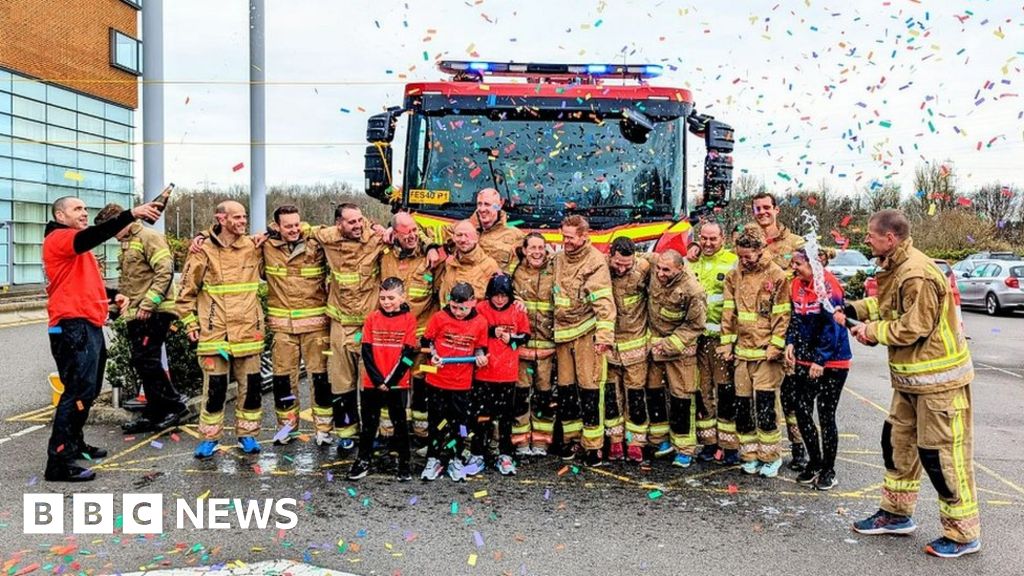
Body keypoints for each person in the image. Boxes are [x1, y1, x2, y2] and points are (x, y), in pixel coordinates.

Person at [838, 210, 979, 558]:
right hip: (910, 382)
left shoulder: (917, 273)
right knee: (897, 446)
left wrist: (871, 331)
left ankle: (963, 535)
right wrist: (854, 308)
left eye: (871, 235)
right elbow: (887, 304)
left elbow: (913, 325)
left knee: (942, 458)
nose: (866, 239)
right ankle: (896, 514)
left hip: (939, 385)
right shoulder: (897, 267)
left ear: (891, 238)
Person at [42, 197, 163, 481]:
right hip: (72, 326)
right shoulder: (60, 237)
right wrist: (130, 215)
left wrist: (111, 295)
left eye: (85, 208)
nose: (84, 213)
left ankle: (74, 444)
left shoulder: (73, 245)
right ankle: (58, 462)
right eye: (77, 209)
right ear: (61, 215)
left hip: (86, 324)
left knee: (88, 390)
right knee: (76, 392)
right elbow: (93, 236)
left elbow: (81, 283)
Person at [176, 201, 266, 459]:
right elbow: (185, 291)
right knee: (214, 390)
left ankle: (247, 435)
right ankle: (209, 438)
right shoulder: (202, 250)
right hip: (215, 333)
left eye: (244, 217)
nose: (243, 221)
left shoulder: (253, 246)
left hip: (249, 331)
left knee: (251, 389)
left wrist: (268, 231)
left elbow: (287, 229)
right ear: (221, 218)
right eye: (237, 217)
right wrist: (189, 323)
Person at [93, 203, 188, 436]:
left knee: (146, 360)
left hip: (154, 311)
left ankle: (173, 406)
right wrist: (115, 310)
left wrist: (149, 304)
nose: (110, 234)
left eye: (110, 228)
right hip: (138, 312)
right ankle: (156, 412)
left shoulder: (148, 236)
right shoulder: (126, 243)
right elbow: (130, 283)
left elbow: (165, 271)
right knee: (142, 360)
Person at [718, 227, 791, 478]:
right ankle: (748, 454)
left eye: (748, 256)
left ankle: (770, 456)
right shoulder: (733, 275)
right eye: (740, 256)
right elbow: (729, 313)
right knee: (743, 406)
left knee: (765, 407)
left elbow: (782, 314)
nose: (743, 261)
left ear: (761, 251)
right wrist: (726, 344)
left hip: (765, 354)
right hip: (742, 353)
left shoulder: (777, 275)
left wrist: (776, 345)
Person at [314, 203, 387, 454]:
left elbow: (410, 233)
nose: (357, 226)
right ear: (339, 224)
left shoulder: (376, 239)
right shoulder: (327, 239)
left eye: (360, 220)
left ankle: (371, 431)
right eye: (351, 222)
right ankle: (346, 433)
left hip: (369, 326)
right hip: (341, 324)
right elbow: (296, 229)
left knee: (370, 383)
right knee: (341, 382)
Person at [262, 205, 332, 446]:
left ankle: (323, 429)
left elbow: (340, 231)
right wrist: (202, 236)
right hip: (284, 327)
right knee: (282, 380)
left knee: (321, 379)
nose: (294, 230)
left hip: (315, 325)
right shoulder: (266, 246)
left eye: (296, 224)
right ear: (277, 227)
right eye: (288, 226)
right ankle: (286, 427)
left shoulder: (315, 242)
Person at [750, 192, 808, 470]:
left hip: (790, 323)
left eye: (766, 208)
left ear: (777, 210)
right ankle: (764, 448)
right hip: (758, 329)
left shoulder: (794, 243)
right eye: (757, 209)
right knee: (762, 394)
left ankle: (798, 447)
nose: (762, 212)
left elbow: (809, 271)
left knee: (791, 394)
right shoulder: (750, 239)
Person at [552, 215, 616, 465]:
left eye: (570, 237)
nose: (565, 241)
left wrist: (604, 337)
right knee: (567, 391)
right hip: (562, 335)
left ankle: (593, 446)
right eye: (563, 236)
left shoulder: (595, 262)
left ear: (583, 237)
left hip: (587, 335)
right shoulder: (558, 258)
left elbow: (604, 304)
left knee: (590, 391)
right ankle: (570, 440)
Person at [784, 249, 851, 491]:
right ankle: (814, 461)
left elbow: (831, 326)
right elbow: (795, 317)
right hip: (804, 357)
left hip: (833, 360)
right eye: (792, 263)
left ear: (813, 265)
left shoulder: (828, 286)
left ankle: (828, 469)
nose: (794, 268)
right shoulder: (795, 285)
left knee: (825, 413)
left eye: (798, 264)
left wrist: (820, 360)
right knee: (802, 409)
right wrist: (790, 341)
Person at [348, 277, 419, 482]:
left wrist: (390, 381)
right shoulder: (372, 319)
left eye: (391, 297)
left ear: (402, 297)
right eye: (383, 298)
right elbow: (367, 352)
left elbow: (407, 355)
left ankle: (405, 462)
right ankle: (363, 460)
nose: (387, 302)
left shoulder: (409, 320)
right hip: (372, 382)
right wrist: (378, 380)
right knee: (369, 424)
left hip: (397, 382)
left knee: (400, 423)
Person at [420, 282, 490, 481]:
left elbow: (480, 348)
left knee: (460, 424)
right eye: (455, 308)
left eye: (464, 308)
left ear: (473, 303)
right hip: (437, 380)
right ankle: (433, 458)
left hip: (462, 384)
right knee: (436, 423)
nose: (459, 313)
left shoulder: (480, 323)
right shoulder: (439, 318)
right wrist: (433, 355)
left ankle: (456, 457)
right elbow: (426, 342)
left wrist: (480, 358)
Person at [380, 212, 439, 444]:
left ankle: (423, 434)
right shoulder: (383, 256)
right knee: (392, 385)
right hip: (392, 337)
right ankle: (390, 433)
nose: (413, 236)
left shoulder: (431, 257)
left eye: (415, 231)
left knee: (422, 384)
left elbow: (457, 241)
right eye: (407, 233)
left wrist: (431, 245)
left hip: (421, 337)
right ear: (394, 234)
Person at [646, 250, 707, 468]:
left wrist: (670, 345)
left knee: (681, 398)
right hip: (655, 348)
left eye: (666, 270)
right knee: (654, 394)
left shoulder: (693, 291)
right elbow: (642, 257)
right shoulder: (654, 265)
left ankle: (685, 449)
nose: (660, 274)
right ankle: (660, 440)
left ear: (680, 269)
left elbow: (695, 325)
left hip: (680, 352)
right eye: (659, 268)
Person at [686, 221, 740, 464]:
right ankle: (708, 444)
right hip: (697, 341)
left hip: (721, 340)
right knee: (703, 392)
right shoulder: (691, 261)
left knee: (725, 393)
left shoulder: (732, 261)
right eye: (704, 239)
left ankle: (729, 446)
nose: (708, 244)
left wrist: (731, 340)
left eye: (713, 239)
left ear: (723, 238)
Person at [471, 273, 531, 475]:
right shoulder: (481, 309)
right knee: (481, 416)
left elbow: (524, 337)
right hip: (484, 373)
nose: (499, 300)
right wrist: (491, 331)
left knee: (505, 417)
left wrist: (511, 339)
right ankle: (478, 452)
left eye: (504, 296)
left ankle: (505, 453)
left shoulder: (517, 311)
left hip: (507, 374)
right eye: (496, 296)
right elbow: (472, 330)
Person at [606, 237, 652, 465]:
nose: (622, 268)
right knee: (612, 397)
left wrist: (691, 250)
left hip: (636, 349)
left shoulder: (645, 266)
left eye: (627, 264)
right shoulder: (601, 270)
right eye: (618, 264)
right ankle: (614, 440)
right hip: (608, 348)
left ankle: (635, 442)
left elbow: (670, 261)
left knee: (635, 397)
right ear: (610, 254)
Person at [512, 233, 556, 456]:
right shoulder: (515, 271)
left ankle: (541, 441)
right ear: (525, 249)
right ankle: (520, 441)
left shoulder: (555, 270)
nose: (537, 252)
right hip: (522, 347)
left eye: (541, 247)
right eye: (532, 248)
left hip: (548, 346)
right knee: (520, 395)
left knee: (544, 395)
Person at [445, 187, 526, 273]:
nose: (482, 209)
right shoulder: (461, 228)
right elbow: (433, 235)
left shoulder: (516, 236)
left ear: (498, 206)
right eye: (479, 204)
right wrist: (432, 249)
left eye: (487, 204)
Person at [436, 220, 501, 304]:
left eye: (467, 235)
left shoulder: (490, 266)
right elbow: (432, 284)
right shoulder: (448, 263)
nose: (463, 240)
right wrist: (430, 249)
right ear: (453, 238)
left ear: (476, 237)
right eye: (459, 235)